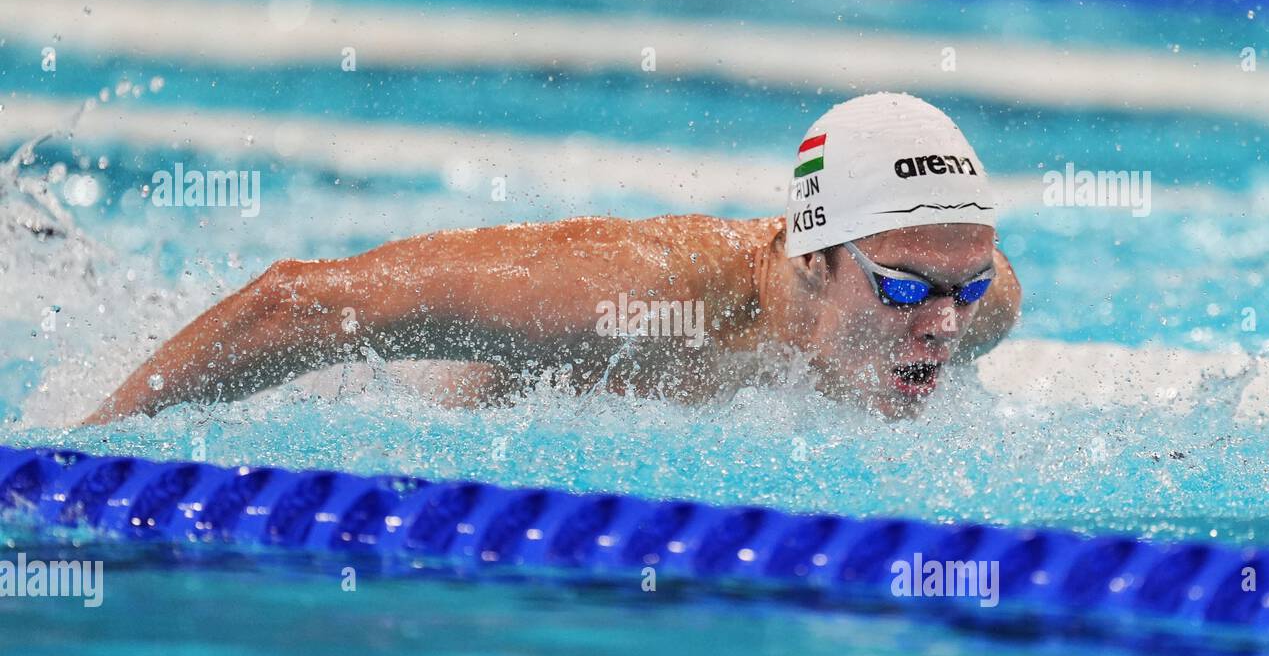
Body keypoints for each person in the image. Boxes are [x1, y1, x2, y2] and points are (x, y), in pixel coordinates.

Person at [82, 92, 1020, 425]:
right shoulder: (640, 297)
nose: (943, 325)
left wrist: (951, 290)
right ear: (813, 258)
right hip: (403, 395)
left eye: (965, 288)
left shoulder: (985, 306)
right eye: (903, 289)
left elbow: (959, 293)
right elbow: (295, 302)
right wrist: (75, 452)